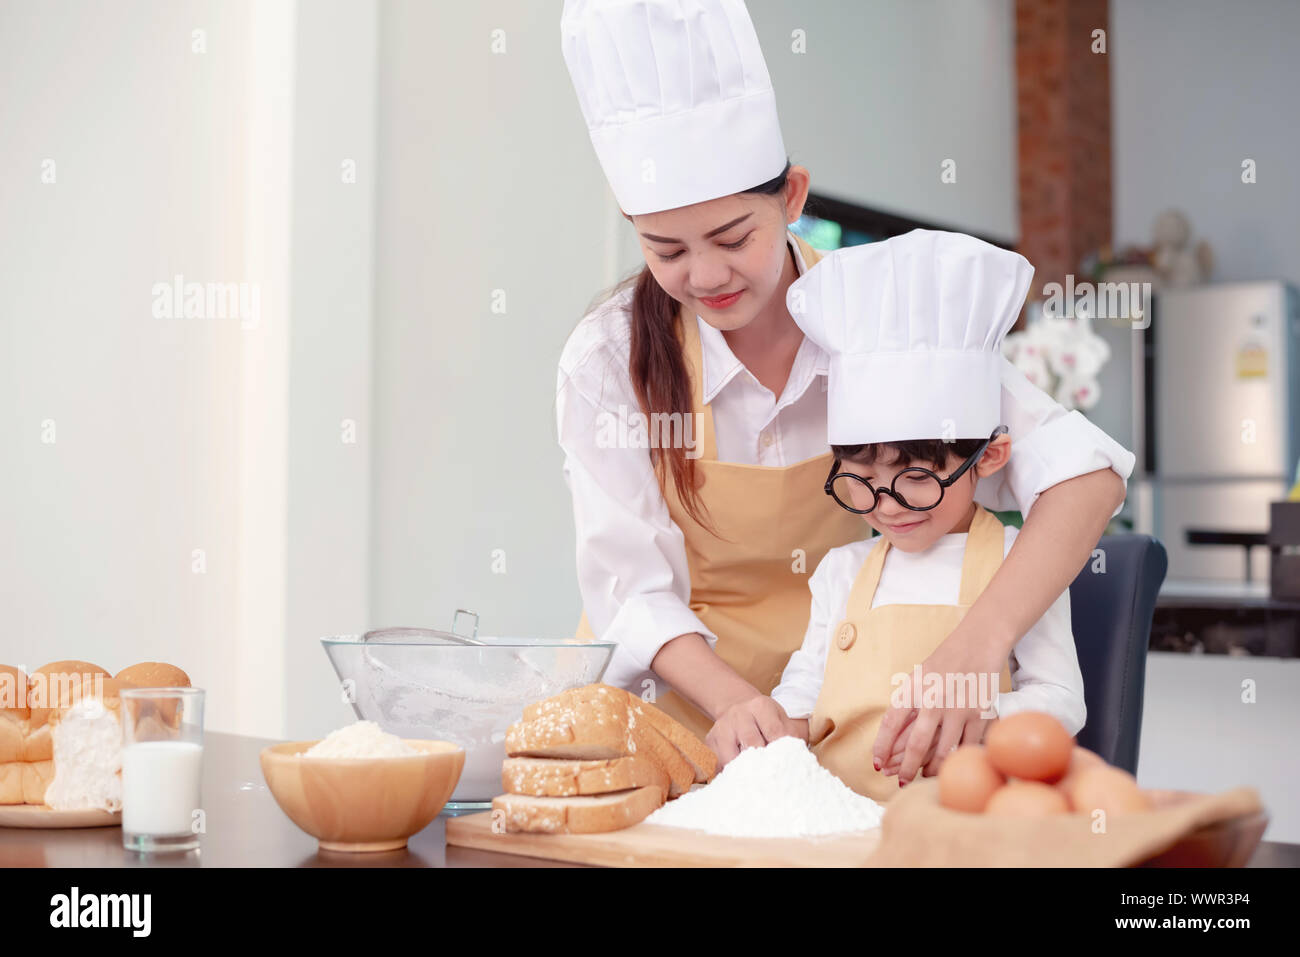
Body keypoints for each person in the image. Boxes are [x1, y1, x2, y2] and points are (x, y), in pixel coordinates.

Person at [556, 0, 1132, 777]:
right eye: (666, 250)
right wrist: (736, 703)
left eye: (734, 238)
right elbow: (630, 590)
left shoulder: (887, 315)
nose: (705, 276)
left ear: (792, 198)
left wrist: (979, 640)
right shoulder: (607, 359)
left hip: (841, 731)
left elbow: (1082, 475)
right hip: (668, 725)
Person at [766, 229, 1086, 800]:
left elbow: (1061, 699)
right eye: (861, 484)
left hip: (957, 823)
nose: (886, 507)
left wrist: (979, 708)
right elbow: (807, 683)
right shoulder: (842, 570)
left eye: (916, 479)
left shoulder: (1018, 563)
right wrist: (779, 727)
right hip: (837, 823)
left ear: (988, 456)